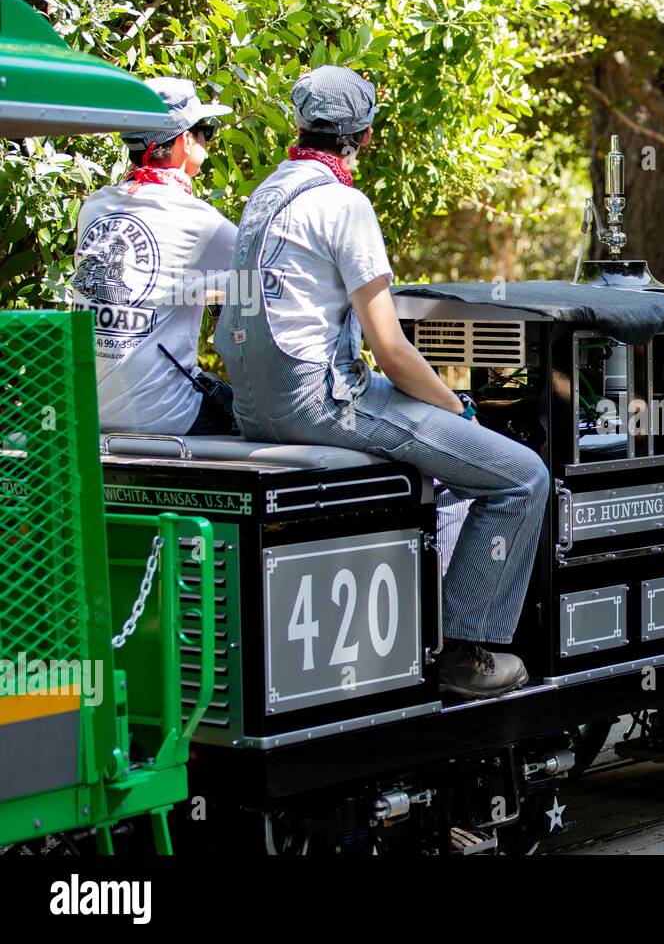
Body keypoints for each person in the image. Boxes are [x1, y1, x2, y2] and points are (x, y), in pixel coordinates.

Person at [214, 66, 548, 699]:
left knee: (447, 472)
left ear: (299, 127)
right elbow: (391, 351)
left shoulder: (265, 194)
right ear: (363, 137)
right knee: (521, 474)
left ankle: (430, 614)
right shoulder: (343, 203)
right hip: (318, 405)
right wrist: (458, 407)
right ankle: (463, 653)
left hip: (254, 411)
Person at [72, 76, 239, 435]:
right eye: (204, 130)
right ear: (183, 141)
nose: (207, 140)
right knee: (250, 418)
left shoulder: (94, 207)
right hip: (163, 417)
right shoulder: (200, 221)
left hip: (83, 411)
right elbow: (266, 280)